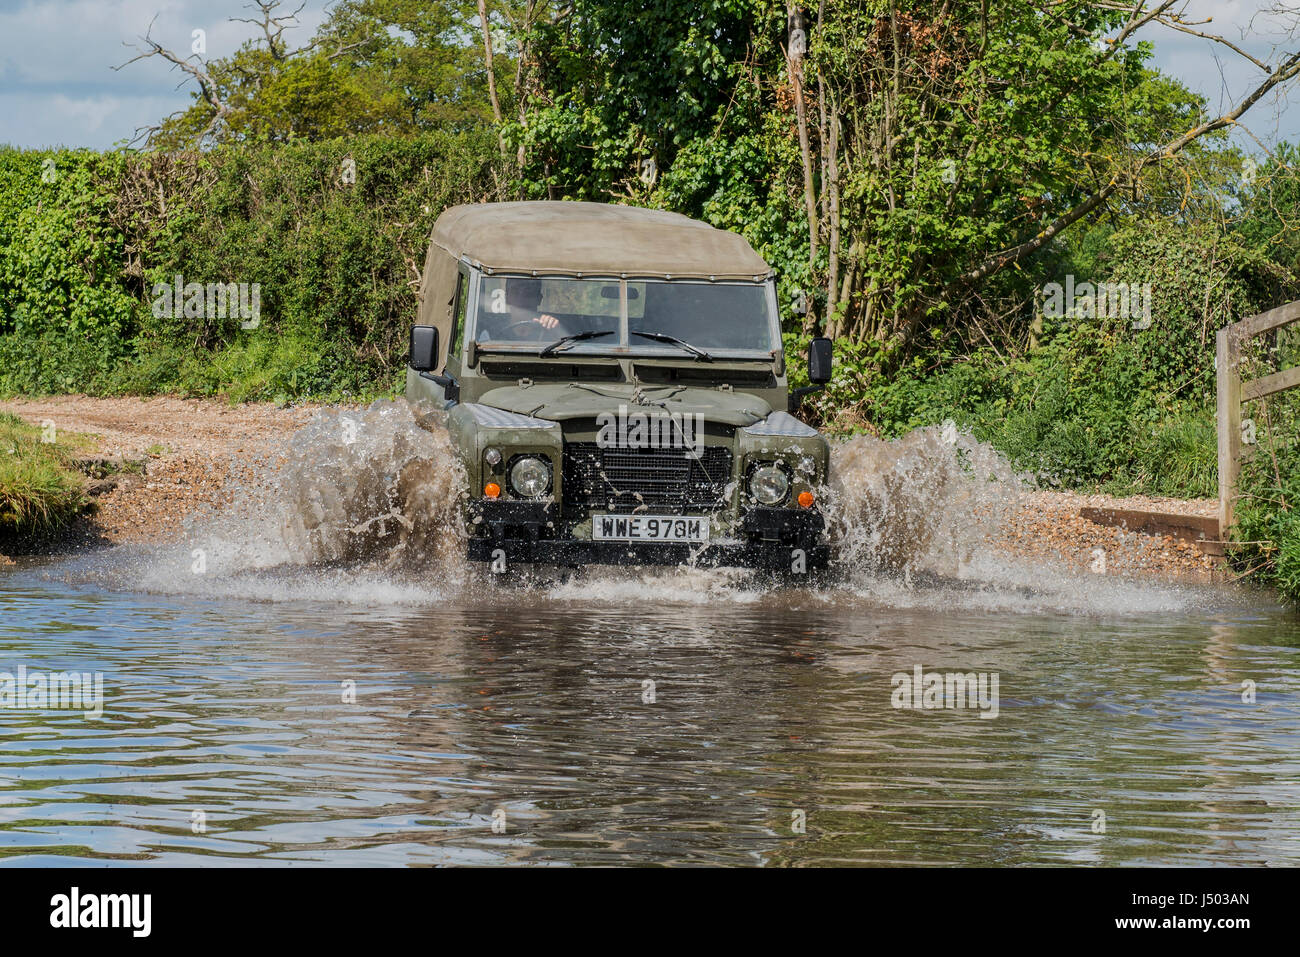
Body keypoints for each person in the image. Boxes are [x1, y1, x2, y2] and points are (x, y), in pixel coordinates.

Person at [477, 278, 562, 341]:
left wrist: (555, 331)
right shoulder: (491, 334)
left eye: (528, 292)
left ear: (539, 299)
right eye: (515, 291)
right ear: (507, 298)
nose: (521, 298)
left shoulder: (550, 331)